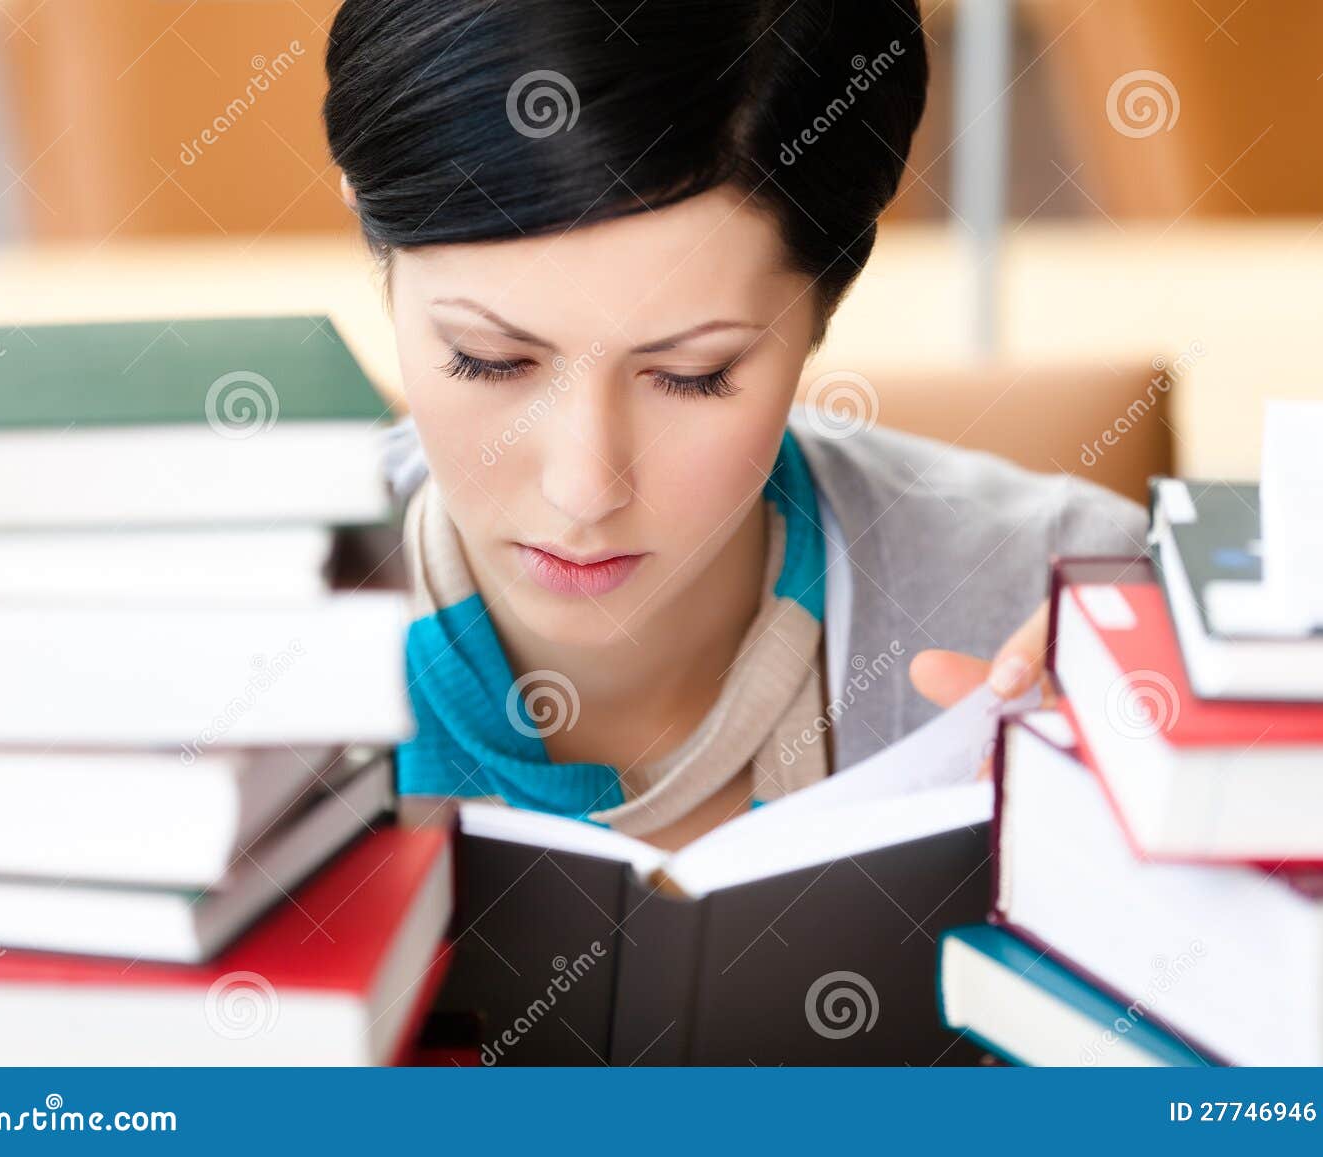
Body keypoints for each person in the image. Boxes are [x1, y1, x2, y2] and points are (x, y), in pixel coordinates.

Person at [322, 0, 1146, 849]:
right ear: (366, 216)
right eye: (489, 360)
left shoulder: (1073, 609)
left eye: (693, 375)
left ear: (828, 293)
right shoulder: (246, 630)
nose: (584, 489)